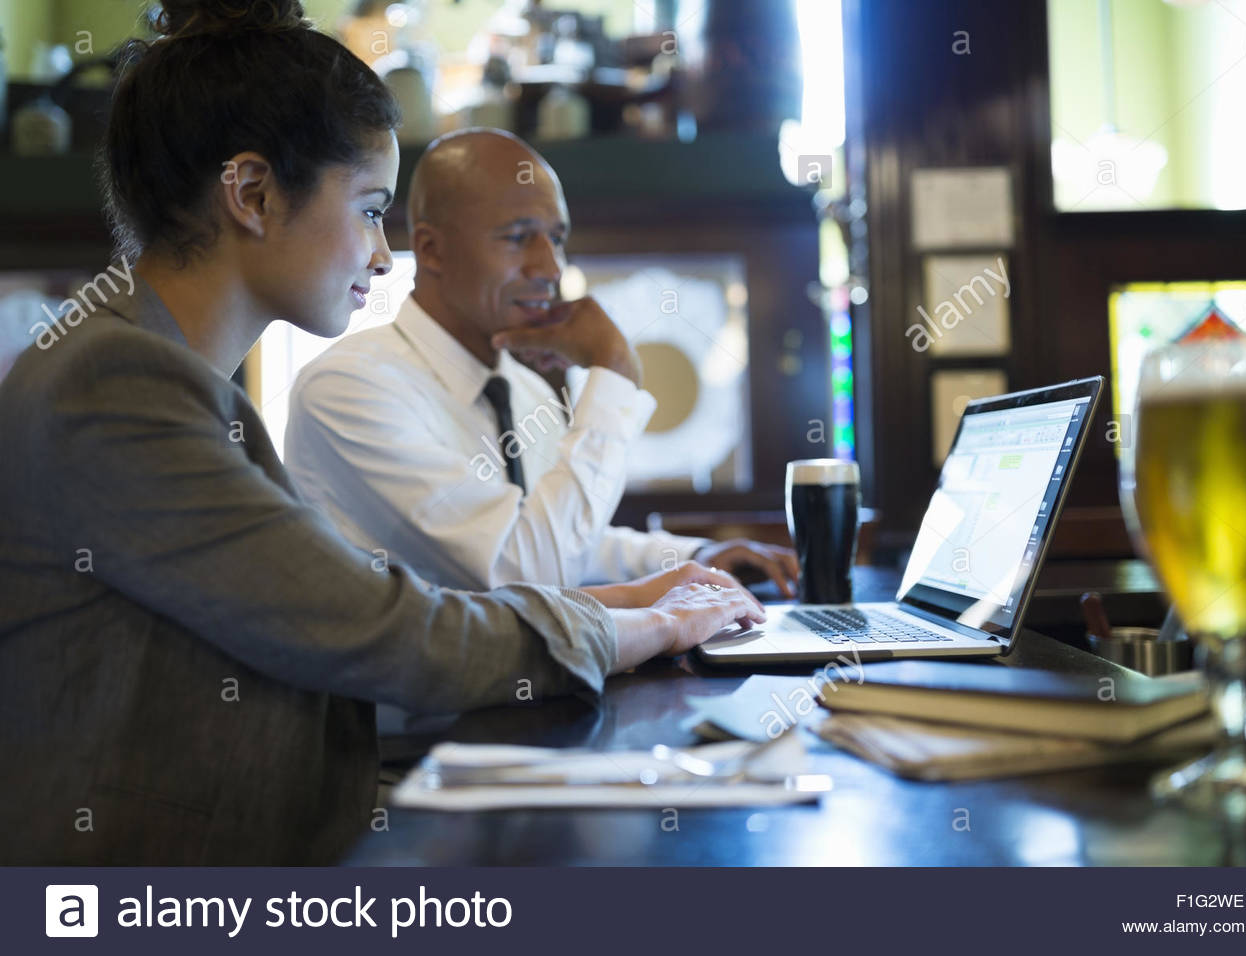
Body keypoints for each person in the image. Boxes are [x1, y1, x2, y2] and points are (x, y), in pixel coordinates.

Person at [0, 0, 764, 866]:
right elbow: (385, 631)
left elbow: (370, 602)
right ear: (251, 194)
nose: (380, 255)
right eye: (368, 208)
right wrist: (640, 628)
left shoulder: (156, 379)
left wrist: (633, 598)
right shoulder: (114, 387)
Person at [285, 128, 801, 597]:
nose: (551, 266)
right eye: (517, 237)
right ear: (431, 250)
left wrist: (692, 557)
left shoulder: (523, 389)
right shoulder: (350, 386)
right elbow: (529, 571)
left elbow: (563, 539)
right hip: (415, 704)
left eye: (556, 238)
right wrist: (613, 372)